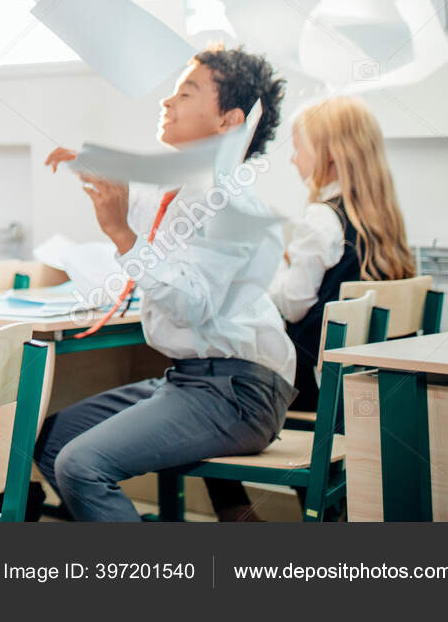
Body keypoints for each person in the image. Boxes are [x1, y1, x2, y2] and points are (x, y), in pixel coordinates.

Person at [32, 46, 295, 522]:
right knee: (52, 441)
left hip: (238, 389)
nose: (167, 102)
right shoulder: (185, 193)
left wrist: (121, 234)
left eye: (186, 92)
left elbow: (192, 303)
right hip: (191, 379)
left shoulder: (229, 202)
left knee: (80, 464)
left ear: (229, 122)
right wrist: (115, 195)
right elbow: (162, 245)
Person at [205, 93, 414, 521]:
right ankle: (327, 510)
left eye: (298, 147)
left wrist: (264, 275)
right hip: (363, 378)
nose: (292, 159)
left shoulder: (320, 218)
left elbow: (293, 305)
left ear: (330, 156)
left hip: (320, 381)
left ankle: (239, 518)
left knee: (208, 393)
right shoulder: (384, 221)